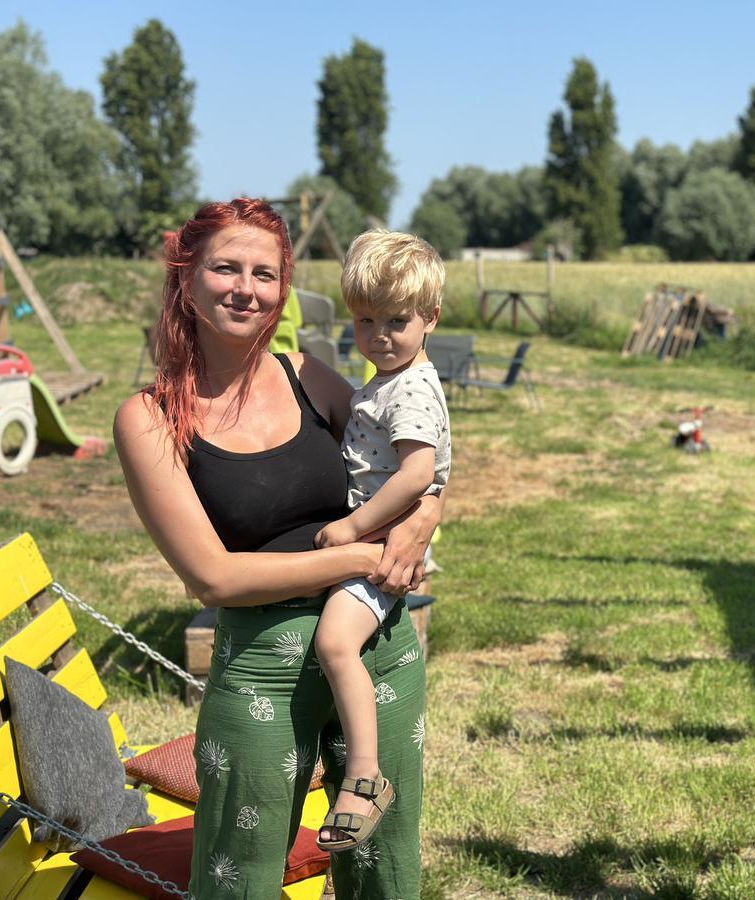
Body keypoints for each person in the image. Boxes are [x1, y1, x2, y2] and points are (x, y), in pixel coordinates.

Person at [113, 198, 437, 899]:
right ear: (186, 279)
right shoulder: (148, 418)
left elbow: (411, 456)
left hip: (378, 641)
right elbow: (214, 578)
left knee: (385, 865)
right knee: (241, 873)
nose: (245, 288)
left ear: (281, 290)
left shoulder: (309, 376)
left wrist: (428, 514)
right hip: (264, 667)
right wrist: (359, 557)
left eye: (264, 273)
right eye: (225, 267)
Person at [312, 230, 451, 852]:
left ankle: (364, 776)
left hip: (382, 551)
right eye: (365, 321)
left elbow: (418, 474)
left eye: (397, 321)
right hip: (377, 543)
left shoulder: (412, 388)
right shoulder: (387, 381)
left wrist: (352, 528)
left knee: (335, 643)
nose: (380, 336)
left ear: (430, 319)